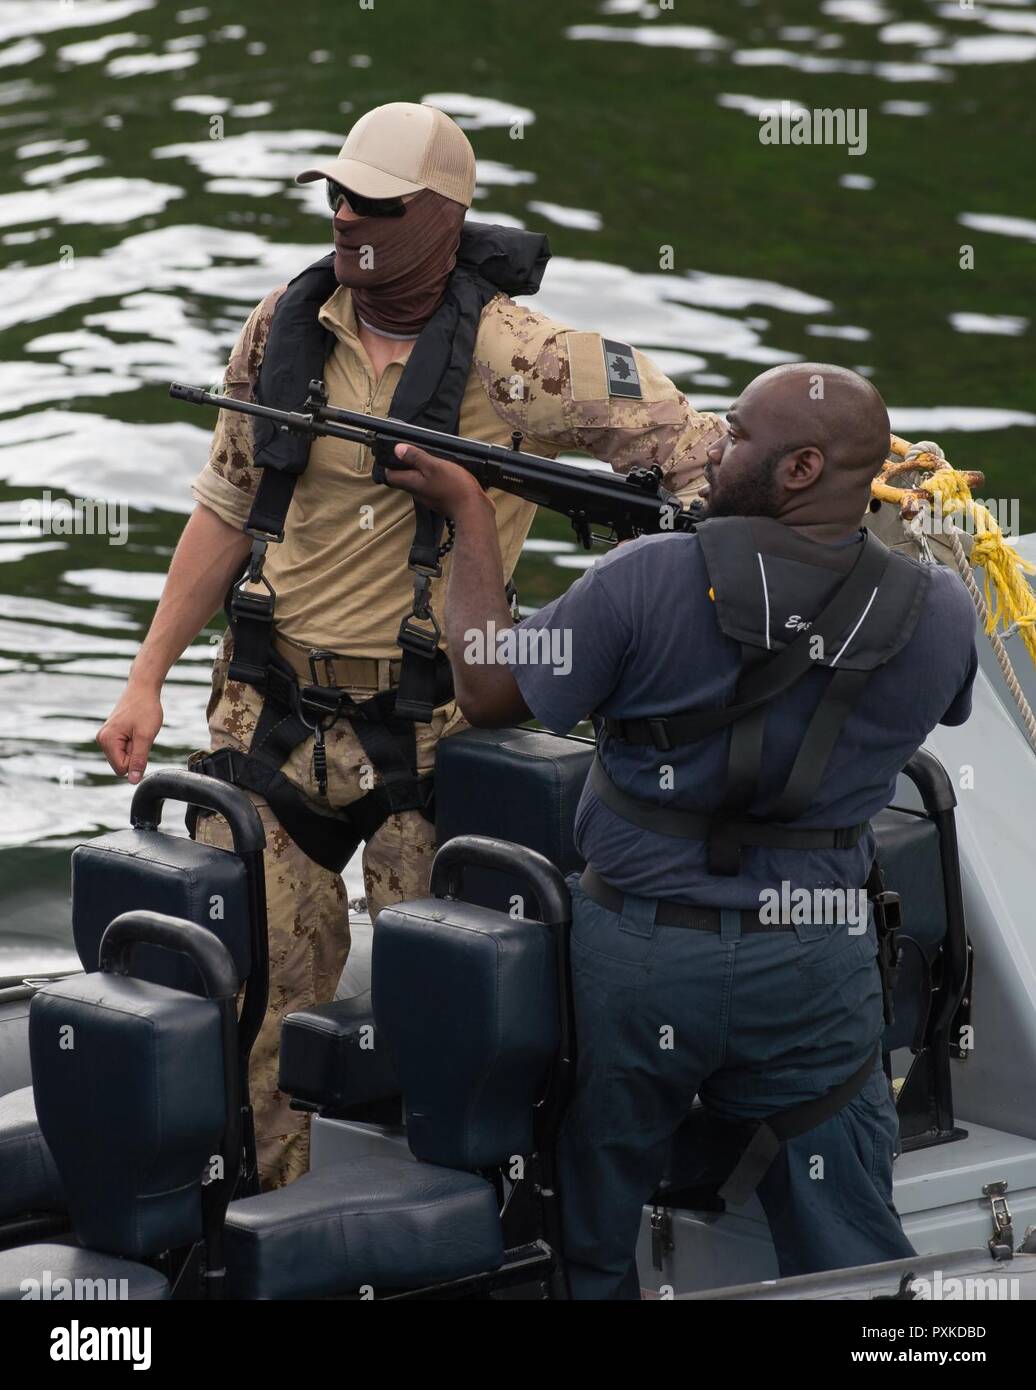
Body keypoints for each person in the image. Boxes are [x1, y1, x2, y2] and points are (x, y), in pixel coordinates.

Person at [95, 101, 724, 1188]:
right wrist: (144, 677)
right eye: (334, 196)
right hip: (269, 712)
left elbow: (690, 446)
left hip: (430, 732)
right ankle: (264, 1224)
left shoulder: (521, 360)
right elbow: (224, 504)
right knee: (251, 1002)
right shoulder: (280, 327)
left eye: (373, 204)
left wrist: (700, 597)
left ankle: (463, 1230)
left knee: (455, 1016)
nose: (344, 218)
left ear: (441, 218)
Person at [381, 362, 979, 1298]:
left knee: (598, 1202)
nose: (713, 444)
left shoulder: (647, 577)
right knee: (851, 1235)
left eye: (736, 434)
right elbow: (933, 707)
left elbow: (489, 687)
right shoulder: (939, 606)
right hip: (817, 961)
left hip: (644, 959)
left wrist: (471, 515)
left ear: (800, 467)